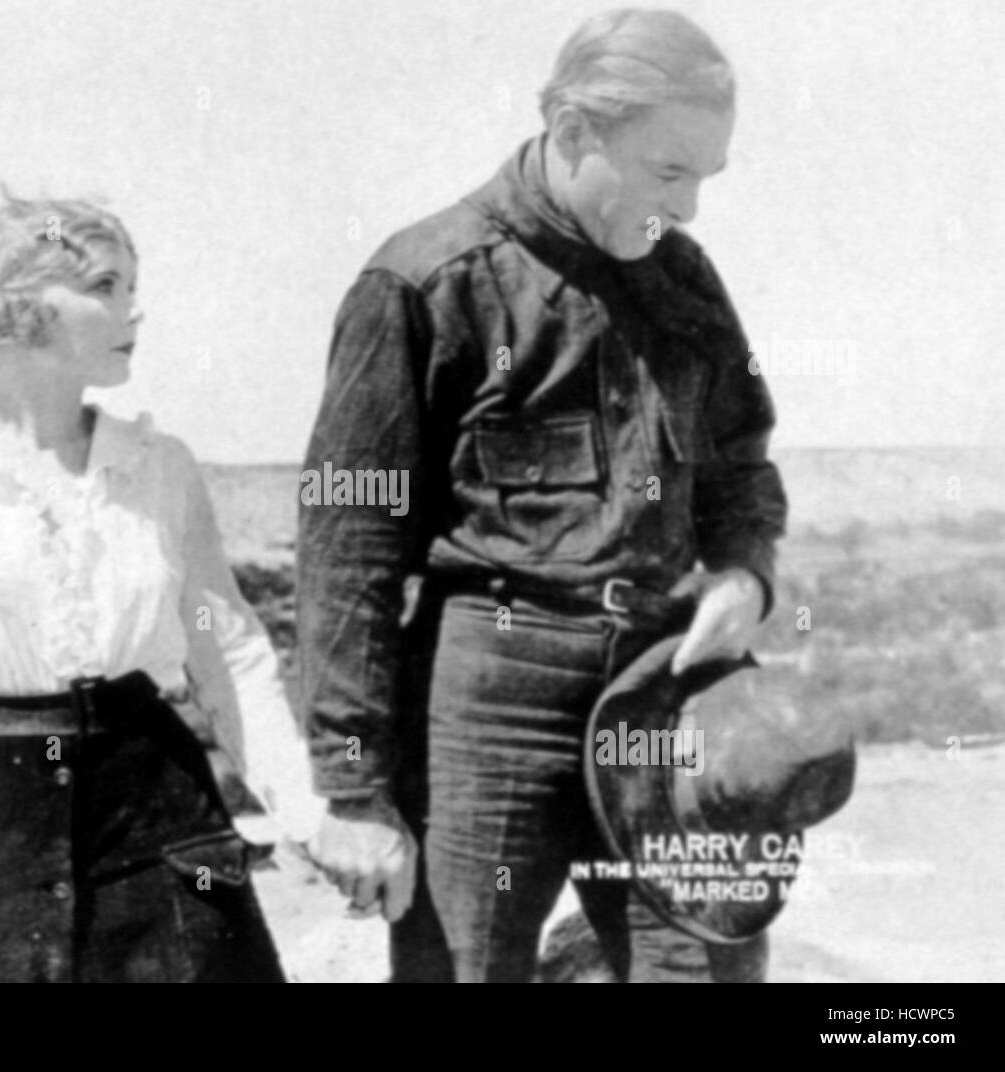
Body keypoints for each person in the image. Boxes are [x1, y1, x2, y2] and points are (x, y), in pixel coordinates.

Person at [297, 8, 788, 983]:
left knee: (705, 967)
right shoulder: (424, 280)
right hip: (487, 694)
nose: (687, 207)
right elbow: (347, 551)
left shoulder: (683, 281)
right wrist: (353, 789)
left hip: (661, 686)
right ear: (573, 133)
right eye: (666, 172)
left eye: (701, 178)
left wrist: (745, 577)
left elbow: (740, 466)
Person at [0, 195, 325, 982]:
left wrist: (306, 814)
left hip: (161, 823)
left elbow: (231, 656)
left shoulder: (159, 465)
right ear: (21, 306)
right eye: (106, 286)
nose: (134, 309)